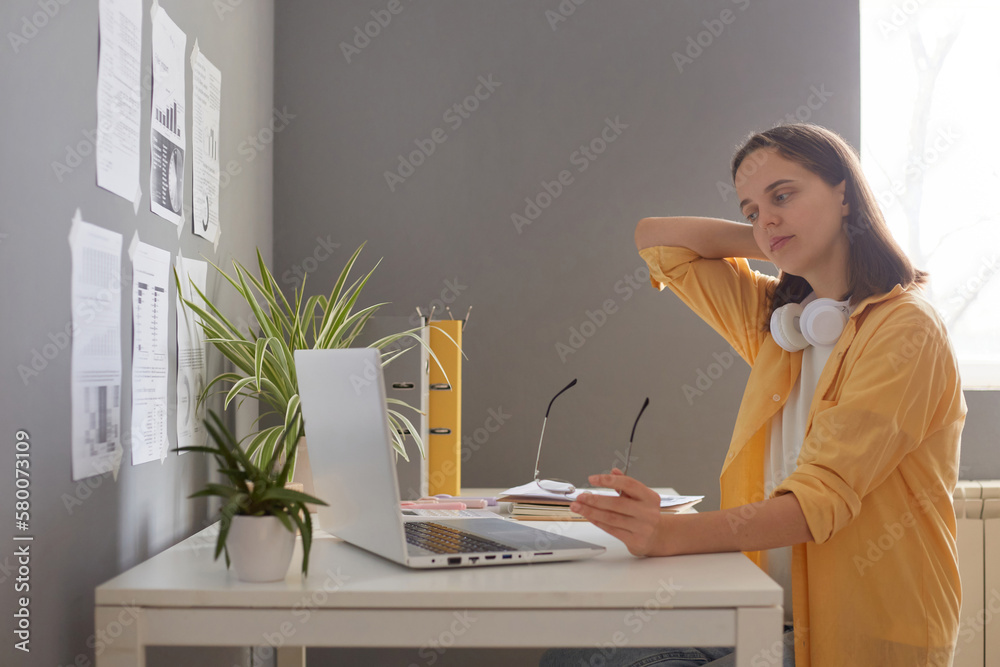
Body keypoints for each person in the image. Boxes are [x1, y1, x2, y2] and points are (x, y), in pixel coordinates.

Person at [539, 123, 967, 667]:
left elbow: (818, 502)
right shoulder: (784, 324)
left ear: (844, 193)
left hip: (857, 635)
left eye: (783, 196)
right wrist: (777, 238)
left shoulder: (906, 330)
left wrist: (668, 534)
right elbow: (658, 242)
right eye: (751, 211)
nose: (764, 218)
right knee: (573, 659)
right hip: (766, 609)